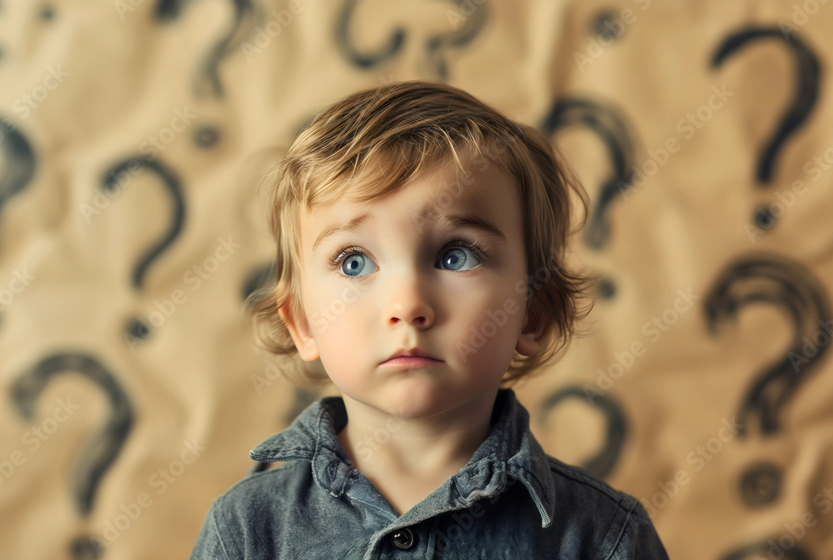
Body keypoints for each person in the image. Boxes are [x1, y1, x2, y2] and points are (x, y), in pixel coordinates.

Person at [190, 80, 669, 559]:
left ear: (533, 313)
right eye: (354, 262)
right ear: (303, 325)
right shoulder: (245, 533)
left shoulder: (603, 537)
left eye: (456, 256)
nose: (408, 305)